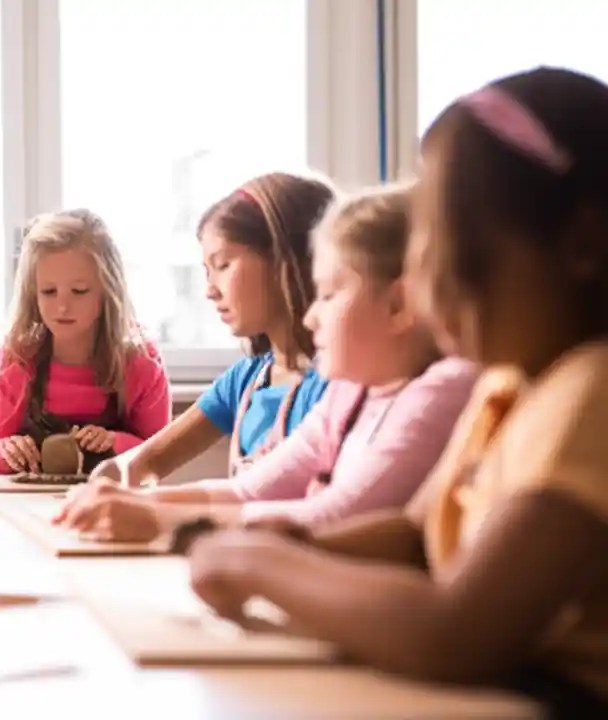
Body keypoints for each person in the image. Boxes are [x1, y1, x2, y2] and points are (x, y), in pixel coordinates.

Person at [187, 67, 608, 715]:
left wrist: (260, 567)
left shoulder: (591, 394)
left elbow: (458, 630)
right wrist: (298, 545)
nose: (424, 273)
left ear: (582, 246)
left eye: (452, 240)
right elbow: (416, 535)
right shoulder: (509, 385)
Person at [56, 185, 477, 540]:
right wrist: (135, 502)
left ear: (398, 304)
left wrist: (157, 518)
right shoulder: (351, 391)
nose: (313, 315)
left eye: (329, 295)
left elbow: (337, 516)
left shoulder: (442, 391)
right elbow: (245, 492)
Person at [88, 173, 336, 488]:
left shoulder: (337, 384)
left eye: (222, 265)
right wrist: (102, 484)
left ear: (285, 260)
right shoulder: (244, 380)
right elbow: (140, 464)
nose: (209, 290)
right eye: (206, 272)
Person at [0, 209, 171, 474]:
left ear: (107, 291)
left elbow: (161, 455)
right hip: (29, 504)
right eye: (48, 292)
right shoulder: (17, 358)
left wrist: (115, 443)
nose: (62, 306)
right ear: (32, 294)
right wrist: (8, 451)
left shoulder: (140, 361)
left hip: (111, 505)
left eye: (79, 291)